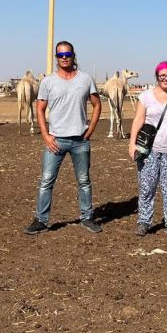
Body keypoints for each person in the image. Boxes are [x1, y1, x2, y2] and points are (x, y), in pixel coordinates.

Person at [25, 41, 103, 235]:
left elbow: (97, 104)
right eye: (60, 55)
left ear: (73, 55)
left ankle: (87, 217)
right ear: (56, 58)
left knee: (84, 180)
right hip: (56, 140)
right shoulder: (48, 82)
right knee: (46, 180)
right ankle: (41, 220)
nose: (64, 57)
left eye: (67, 54)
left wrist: (90, 129)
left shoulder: (85, 79)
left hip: (80, 140)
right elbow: (40, 108)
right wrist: (45, 135)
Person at [127, 61, 167, 237]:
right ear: (157, 77)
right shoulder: (146, 97)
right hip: (149, 150)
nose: (165, 78)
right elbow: (138, 120)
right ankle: (144, 221)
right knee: (146, 188)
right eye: (162, 76)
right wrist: (132, 143)